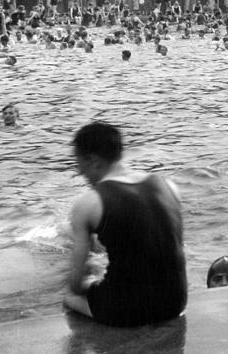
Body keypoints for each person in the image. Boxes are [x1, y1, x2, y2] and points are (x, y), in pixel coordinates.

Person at [63, 122, 188, 326]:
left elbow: (76, 285)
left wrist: (90, 281)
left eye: (80, 164)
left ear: (93, 160)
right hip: (175, 303)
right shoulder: (168, 186)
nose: (79, 172)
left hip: (126, 311)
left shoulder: (88, 202)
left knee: (70, 297)